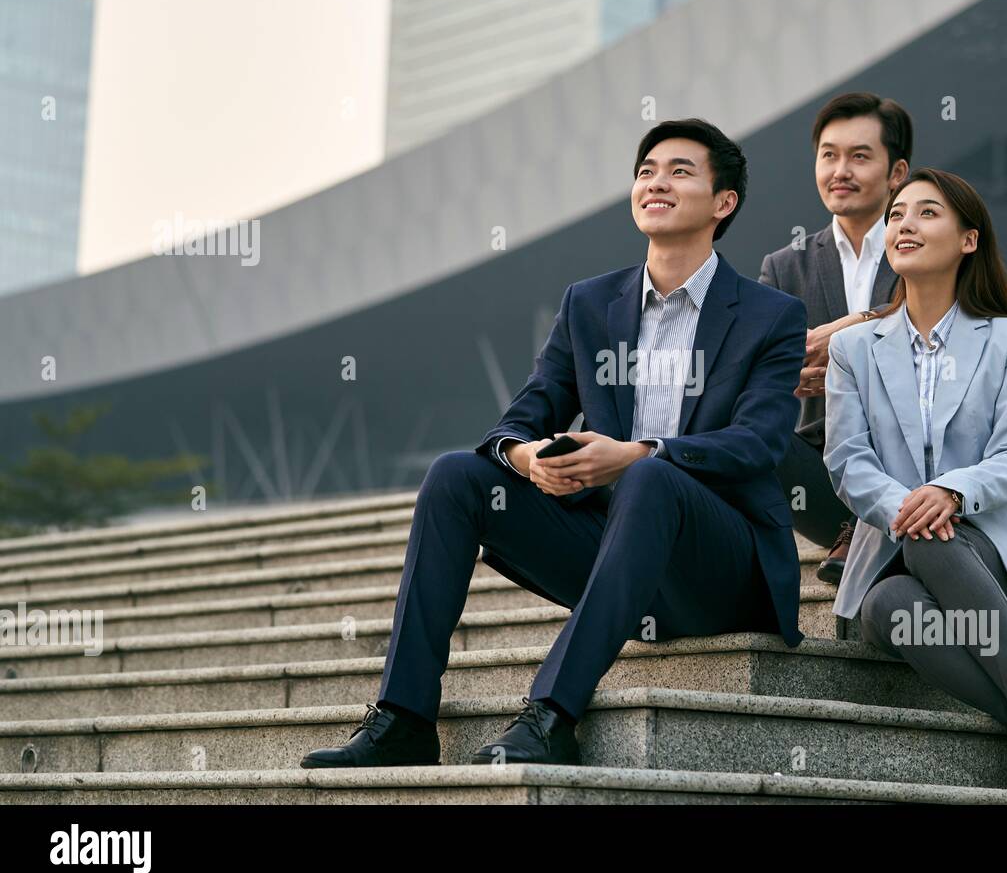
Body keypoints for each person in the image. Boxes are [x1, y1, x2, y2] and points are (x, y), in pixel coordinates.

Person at [301, 118, 806, 769]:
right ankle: (403, 716)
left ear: (723, 202)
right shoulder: (591, 305)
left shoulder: (769, 314)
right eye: (646, 170)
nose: (656, 181)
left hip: (719, 570)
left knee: (651, 477)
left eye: (680, 171)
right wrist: (527, 458)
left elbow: (759, 443)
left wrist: (638, 453)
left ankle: (551, 717)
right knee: (457, 474)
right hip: (613, 551)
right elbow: (519, 419)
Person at [822, 167, 1007, 793]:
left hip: (996, 568)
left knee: (933, 538)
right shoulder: (855, 350)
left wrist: (952, 493)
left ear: (969, 240)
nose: (905, 222)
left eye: (927, 212)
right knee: (885, 605)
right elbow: (847, 460)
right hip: (898, 562)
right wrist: (910, 505)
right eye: (898, 213)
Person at [759, 93, 910, 584]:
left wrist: (857, 335)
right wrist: (788, 374)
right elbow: (755, 364)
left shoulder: (930, 244)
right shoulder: (784, 266)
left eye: (859, 156)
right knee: (741, 421)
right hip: (824, 477)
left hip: (917, 462)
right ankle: (859, 526)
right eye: (829, 155)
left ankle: (869, 529)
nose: (840, 170)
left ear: (897, 173)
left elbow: (955, 327)